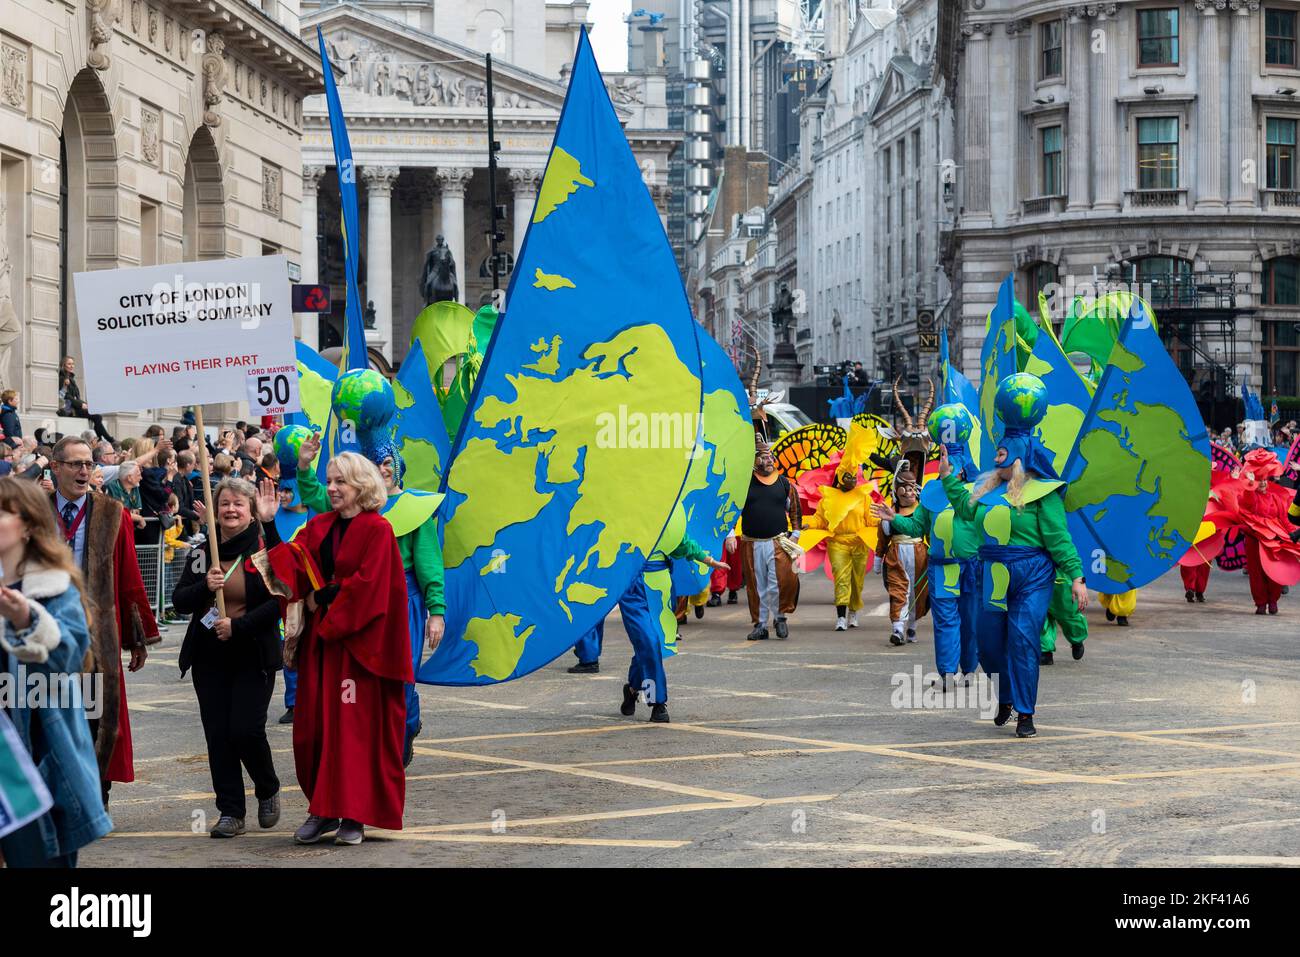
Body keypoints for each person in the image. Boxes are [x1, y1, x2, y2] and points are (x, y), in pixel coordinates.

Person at [266, 452, 411, 847]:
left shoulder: (378, 529)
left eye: (340, 482)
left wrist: (327, 598)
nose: (331, 488)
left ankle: (355, 813)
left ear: (361, 485)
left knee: (353, 733)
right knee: (314, 729)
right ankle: (323, 808)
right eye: (329, 481)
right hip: (322, 646)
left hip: (359, 650)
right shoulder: (320, 525)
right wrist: (265, 526)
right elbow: (293, 564)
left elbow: (371, 589)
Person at [939, 381, 1087, 739]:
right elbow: (963, 509)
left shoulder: (1041, 494)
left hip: (1033, 574)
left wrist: (1076, 576)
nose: (995, 462)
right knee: (988, 644)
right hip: (994, 573)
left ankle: (1024, 711)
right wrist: (948, 479)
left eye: (1003, 457)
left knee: (1022, 640)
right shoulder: (987, 491)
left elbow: (1058, 538)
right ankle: (1004, 697)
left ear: (1019, 458)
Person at [294, 429, 444, 767]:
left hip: (403, 602)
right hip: (359, 604)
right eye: (376, 462)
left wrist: (436, 610)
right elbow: (317, 495)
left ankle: (403, 732)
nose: (383, 467)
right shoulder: (352, 510)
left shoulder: (414, 510)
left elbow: (429, 565)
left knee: (400, 679)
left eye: (388, 461)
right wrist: (304, 466)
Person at [0, 476, 113, 867]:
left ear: (28, 525)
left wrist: (26, 618)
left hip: (37, 760)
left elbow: (67, 658)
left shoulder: (53, 587)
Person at [171, 477, 285, 838]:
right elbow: (179, 600)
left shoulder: (263, 549)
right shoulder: (204, 552)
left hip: (252, 652)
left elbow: (280, 599)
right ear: (215, 510)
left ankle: (267, 787)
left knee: (246, 730)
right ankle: (231, 812)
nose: (231, 510)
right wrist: (204, 586)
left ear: (251, 510)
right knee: (219, 735)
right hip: (209, 656)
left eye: (238, 503)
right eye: (224, 504)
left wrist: (240, 625)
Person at [48, 436, 159, 800]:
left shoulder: (113, 513)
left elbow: (129, 579)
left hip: (96, 635)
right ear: (56, 467)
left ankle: (97, 793)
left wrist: (137, 636)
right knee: (49, 713)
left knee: (97, 714)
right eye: (75, 464)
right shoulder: (35, 512)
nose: (84, 471)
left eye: (88, 464)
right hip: (44, 632)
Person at [872, 405, 981, 684]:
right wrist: (894, 518)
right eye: (943, 457)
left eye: (951, 459)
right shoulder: (931, 490)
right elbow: (917, 527)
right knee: (944, 622)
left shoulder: (978, 491)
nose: (946, 464)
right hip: (941, 567)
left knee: (970, 622)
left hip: (971, 567)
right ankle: (946, 672)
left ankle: (968, 668)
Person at [804, 450, 879, 631]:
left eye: (855, 477)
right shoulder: (828, 498)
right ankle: (840, 618)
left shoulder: (863, 497)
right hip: (838, 543)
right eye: (848, 477)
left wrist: (884, 519)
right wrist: (808, 523)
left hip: (858, 543)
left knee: (857, 580)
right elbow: (820, 520)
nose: (853, 480)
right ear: (840, 477)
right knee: (841, 579)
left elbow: (871, 519)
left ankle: (853, 612)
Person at [739, 440, 801, 641]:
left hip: (778, 542)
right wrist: (730, 534)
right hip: (752, 542)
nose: (768, 461)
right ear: (755, 460)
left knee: (780, 583)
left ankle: (780, 618)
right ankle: (760, 624)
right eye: (764, 457)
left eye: (770, 457)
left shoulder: (784, 483)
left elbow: (794, 510)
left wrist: (796, 532)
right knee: (757, 586)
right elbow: (731, 511)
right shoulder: (744, 483)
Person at [877, 470, 929, 646]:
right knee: (898, 590)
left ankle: (912, 625)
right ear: (897, 490)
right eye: (905, 489)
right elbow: (882, 537)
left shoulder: (922, 510)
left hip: (919, 554)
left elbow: (929, 532)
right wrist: (879, 556)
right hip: (896, 554)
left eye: (913, 488)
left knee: (918, 591)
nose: (910, 492)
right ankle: (898, 629)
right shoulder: (888, 512)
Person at [57, 356, 113, 443]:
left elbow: (76, 397)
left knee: (97, 416)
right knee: (97, 416)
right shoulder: (63, 378)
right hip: (71, 409)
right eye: (69, 364)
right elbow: (65, 395)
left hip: (76, 407)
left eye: (73, 364)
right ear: (64, 365)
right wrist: (81, 404)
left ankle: (100, 439)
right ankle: (107, 439)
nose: (71, 366)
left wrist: (84, 404)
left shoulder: (71, 378)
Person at [105, 461, 148, 535]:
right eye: (138, 475)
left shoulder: (135, 486)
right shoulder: (112, 487)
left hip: (129, 529)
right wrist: (139, 518)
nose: (141, 478)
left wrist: (133, 515)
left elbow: (137, 510)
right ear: (129, 477)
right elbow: (118, 512)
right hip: (114, 532)